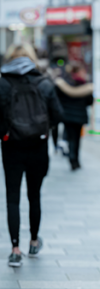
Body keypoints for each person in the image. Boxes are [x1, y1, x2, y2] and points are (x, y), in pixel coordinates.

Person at [0, 43, 63, 267]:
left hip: (11, 146)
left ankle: (15, 249)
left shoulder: (3, 82)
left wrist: (6, 132)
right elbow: (58, 115)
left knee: (13, 197)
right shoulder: (44, 82)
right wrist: (43, 130)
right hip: (38, 146)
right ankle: (34, 241)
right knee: (34, 195)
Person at [53, 63, 93, 170]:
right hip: (79, 115)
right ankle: (75, 159)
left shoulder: (64, 83)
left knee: (70, 137)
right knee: (77, 138)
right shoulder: (85, 85)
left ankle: (72, 157)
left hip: (67, 115)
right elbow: (90, 101)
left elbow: (58, 98)